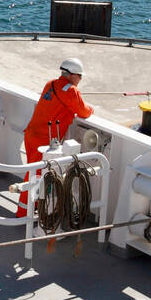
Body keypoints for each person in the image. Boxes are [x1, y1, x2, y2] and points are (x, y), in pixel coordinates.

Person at [18, 59, 94, 216]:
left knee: (34, 172)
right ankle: (23, 213)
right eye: (80, 76)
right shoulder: (72, 91)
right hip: (45, 140)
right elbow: (84, 112)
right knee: (36, 176)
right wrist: (91, 110)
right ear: (73, 75)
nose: (80, 80)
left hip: (31, 134)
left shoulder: (50, 83)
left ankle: (34, 208)